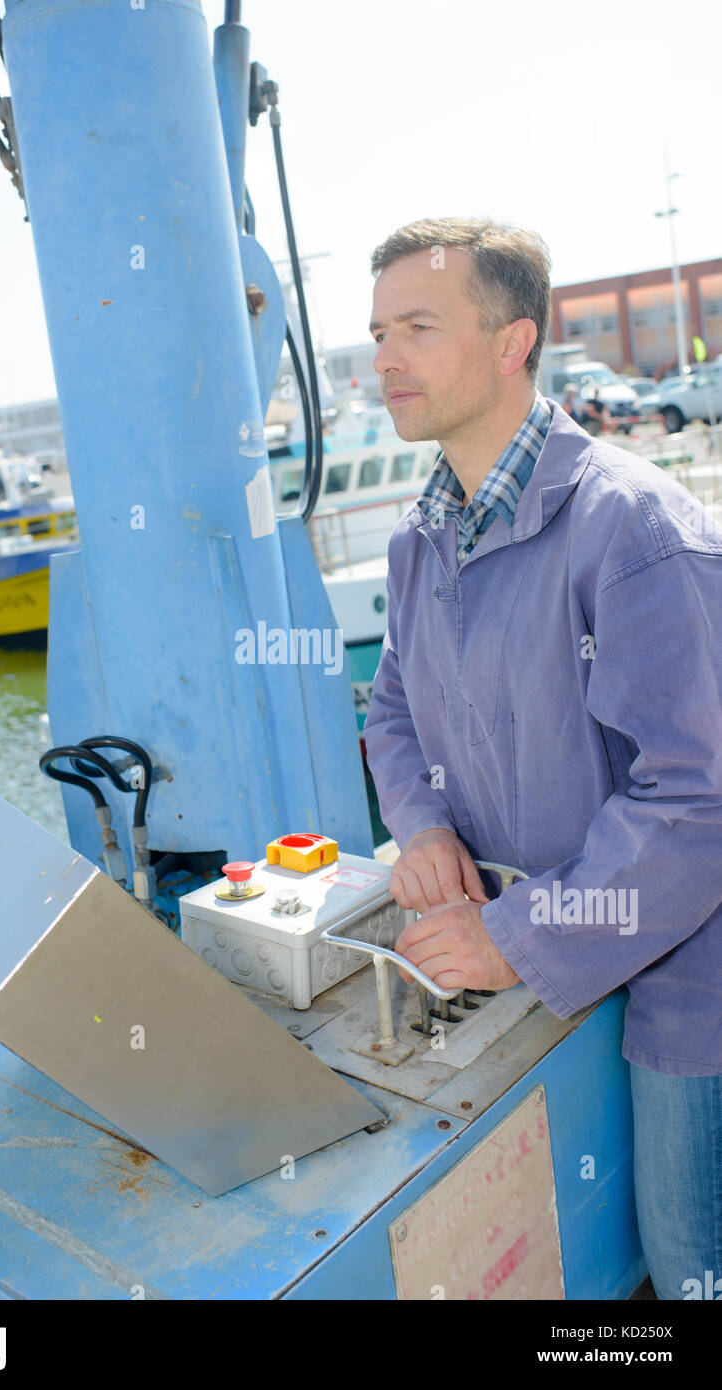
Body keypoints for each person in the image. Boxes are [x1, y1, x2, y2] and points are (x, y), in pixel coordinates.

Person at [364, 216, 722, 1301]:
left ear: (514, 340)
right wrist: (420, 822)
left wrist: (513, 935)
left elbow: (697, 802)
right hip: (533, 971)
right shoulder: (419, 538)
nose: (384, 359)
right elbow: (390, 711)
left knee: (684, 1254)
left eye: (417, 327)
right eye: (377, 331)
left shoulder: (636, 528)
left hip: (680, 986)